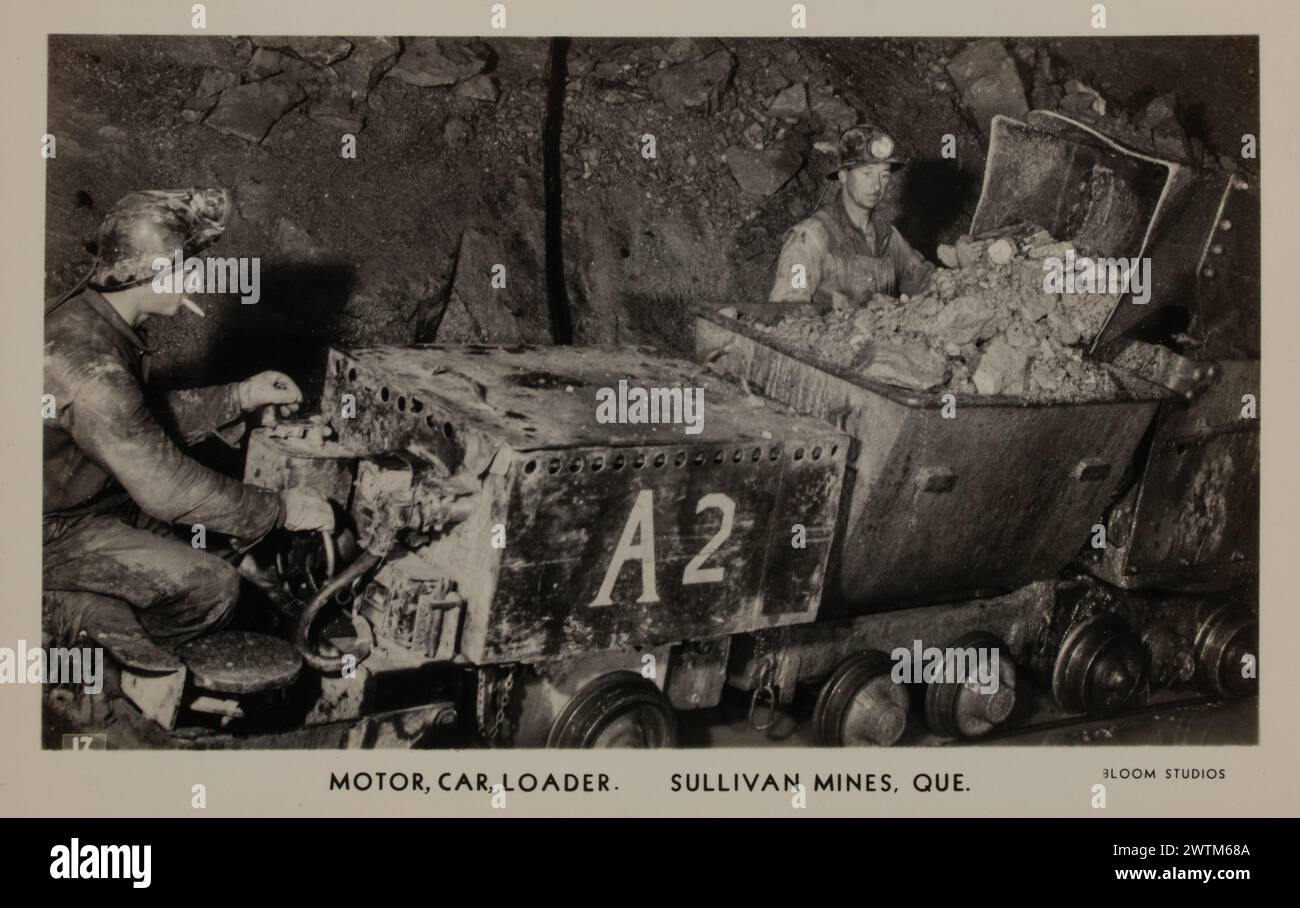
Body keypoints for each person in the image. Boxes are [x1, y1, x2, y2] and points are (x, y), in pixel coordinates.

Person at [43, 188, 333, 666]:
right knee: (212, 586)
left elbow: (135, 423)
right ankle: (78, 629)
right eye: (185, 265)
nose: (195, 277)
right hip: (45, 534)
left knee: (219, 538)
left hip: (75, 498)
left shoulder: (90, 317)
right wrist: (281, 509)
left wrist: (240, 395)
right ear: (150, 272)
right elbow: (167, 487)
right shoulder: (93, 370)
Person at [769, 125, 935, 306]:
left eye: (884, 175)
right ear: (843, 175)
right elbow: (787, 315)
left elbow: (924, 283)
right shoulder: (809, 239)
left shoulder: (887, 236)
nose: (877, 186)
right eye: (867, 173)